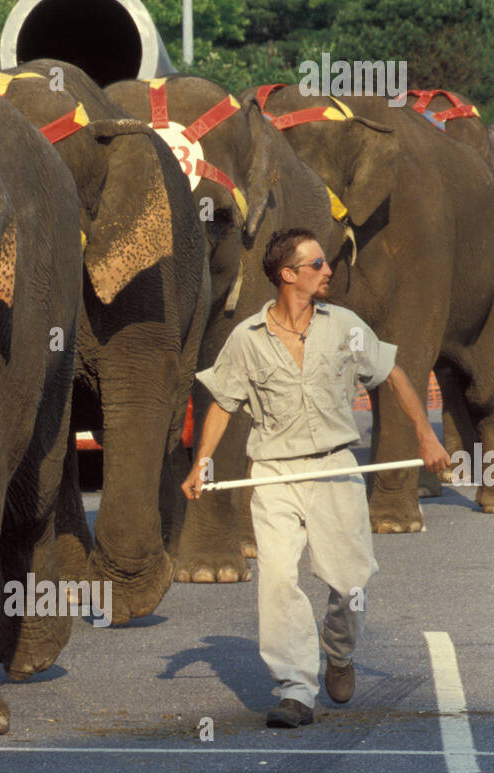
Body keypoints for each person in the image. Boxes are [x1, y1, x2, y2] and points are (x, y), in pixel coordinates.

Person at [182, 228, 450, 727]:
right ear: (288, 275)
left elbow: (392, 373)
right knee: (279, 579)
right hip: (273, 473)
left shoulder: (345, 326)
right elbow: (222, 402)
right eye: (318, 264)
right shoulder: (247, 338)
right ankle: (295, 689)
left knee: (350, 583)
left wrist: (426, 437)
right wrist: (202, 463)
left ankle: (340, 653)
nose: (329, 270)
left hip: (334, 466)